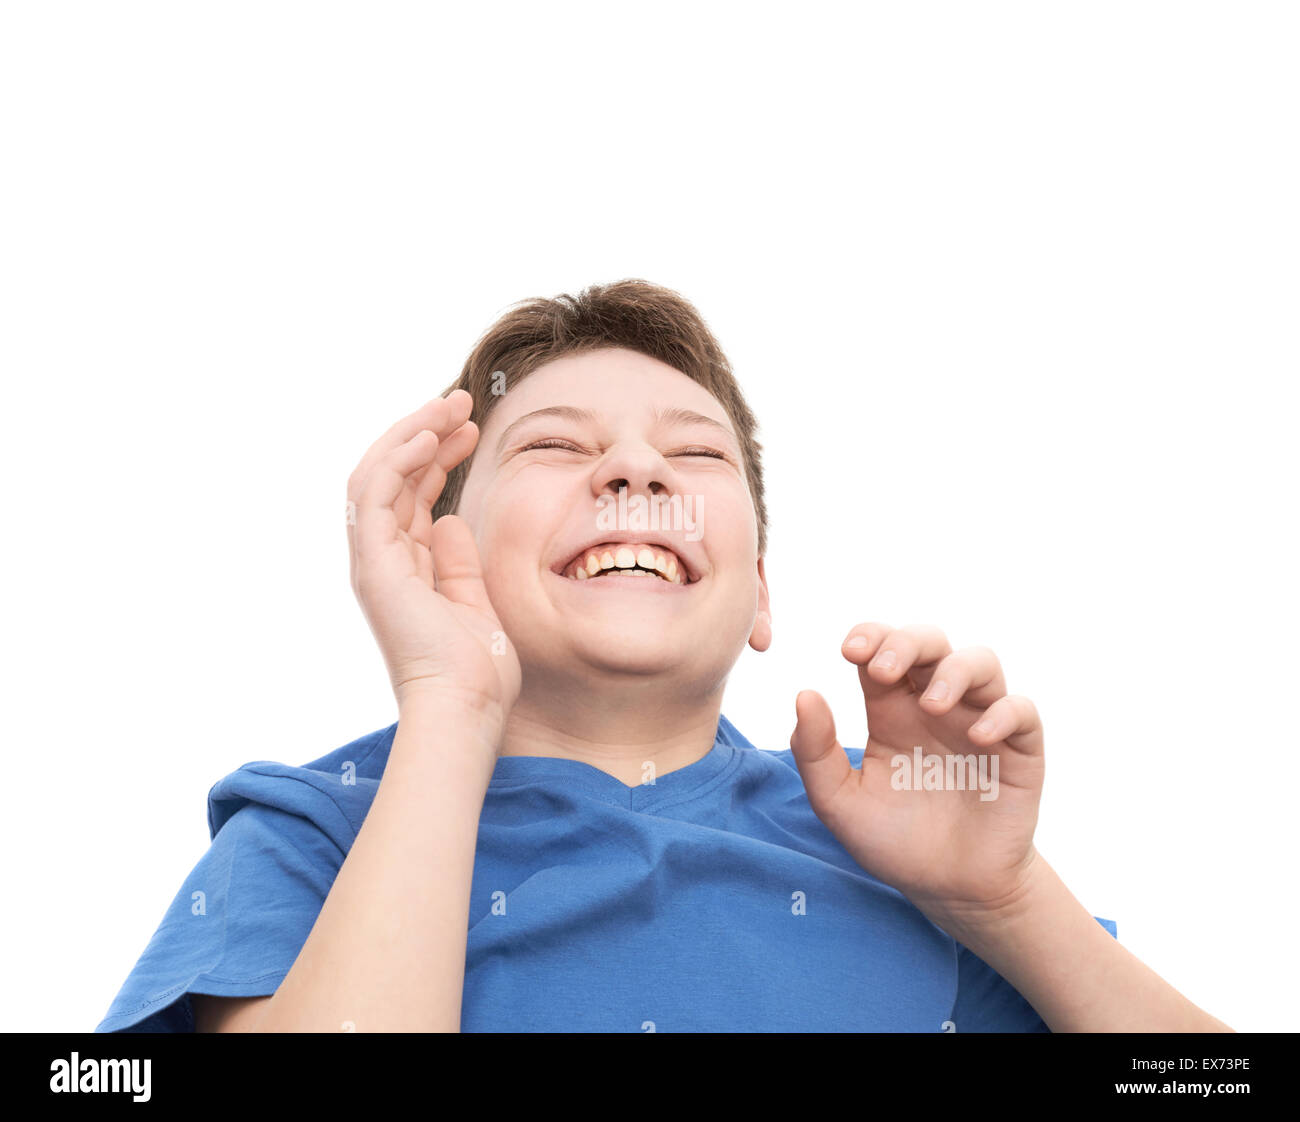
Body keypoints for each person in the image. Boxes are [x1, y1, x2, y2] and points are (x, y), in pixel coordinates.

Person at [95, 279, 1231, 1032]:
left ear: (759, 591)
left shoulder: (911, 865)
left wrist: (1007, 900)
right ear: (443, 554)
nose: (637, 474)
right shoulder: (312, 835)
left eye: (693, 454)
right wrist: (446, 698)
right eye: (555, 445)